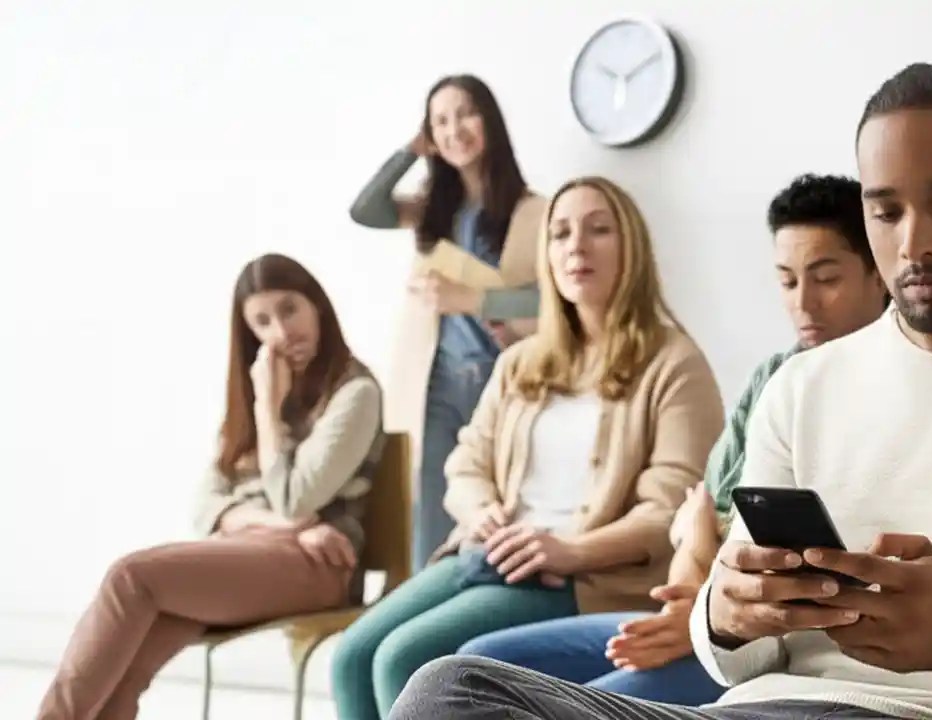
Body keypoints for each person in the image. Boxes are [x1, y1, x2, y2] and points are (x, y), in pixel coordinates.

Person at [389, 62, 932, 720]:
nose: (915, 243)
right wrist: (726, 614)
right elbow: (740, 662)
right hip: (761, 710)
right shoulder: (805, 388)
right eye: (886, 210)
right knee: (446, 690)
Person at [454, 174, 889, 706]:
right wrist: (688, 603)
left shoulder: (891, 387)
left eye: (826, 278)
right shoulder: (776, 373)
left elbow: (748, 539)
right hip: (704, 610)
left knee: (560, 704)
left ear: (879, 273)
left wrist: (702, 604)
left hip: (763, 635)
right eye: (787, 281)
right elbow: (697, 512)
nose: (804, 304)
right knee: (467, 673)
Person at [329, 176, 725, 719]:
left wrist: (571, 549)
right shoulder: (521, 360)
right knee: (350, 657)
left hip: (583, 576)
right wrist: (482, 511)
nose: (576, 246)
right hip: (492, 554)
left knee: (405, 657)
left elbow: (668, 509)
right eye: (560, 233)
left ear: (631, 248)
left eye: (598, 230)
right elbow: (466, 463)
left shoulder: (675, 363)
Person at [38, 254, 385, 720]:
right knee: (128, 666)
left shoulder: (354, 394)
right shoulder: (256, 389)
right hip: (265, 549)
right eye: (262, 321)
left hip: (321, 567)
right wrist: (283, 525)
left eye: (289, 309)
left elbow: (296, 496)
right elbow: (208, 502)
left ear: (317, 307)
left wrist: (268, 407)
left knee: (132, 577)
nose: (280, 332)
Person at [351, 74, 548, 570]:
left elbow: (549, 304)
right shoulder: (431, 212)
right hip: (435, 383)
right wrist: (411, 151)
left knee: (495, 516)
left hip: (504, 381)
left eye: (465, 113)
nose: (454, 128)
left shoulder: (535, 212)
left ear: (490, 121)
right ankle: (424, 632)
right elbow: (366, 209)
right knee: (429, 520)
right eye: (440, 120)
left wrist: (473, 299)